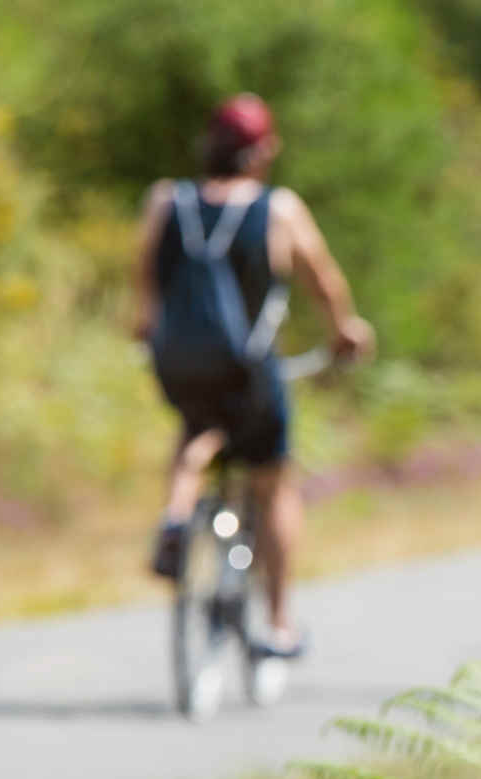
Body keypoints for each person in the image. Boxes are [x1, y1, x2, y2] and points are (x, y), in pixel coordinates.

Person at [131, 93, 374, 659]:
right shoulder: (279, 208)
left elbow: (145, 276)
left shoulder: (167, 201)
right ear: (261, 152)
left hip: (179, 360)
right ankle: (280, 620)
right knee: (273, 482)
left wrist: (147, 328)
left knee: (195, 430)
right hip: (248, 366)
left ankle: (175, 518)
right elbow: (324, 280)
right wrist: (345, 330)